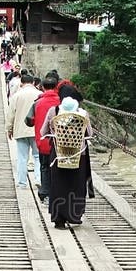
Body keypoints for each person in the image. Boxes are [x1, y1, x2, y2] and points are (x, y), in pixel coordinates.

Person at [40, 85, 92, 229]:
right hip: (78, 155)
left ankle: (59, 219)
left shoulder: (54, 111)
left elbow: (42, 131)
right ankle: (74, 215)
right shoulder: (83, 113)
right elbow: (89, 134)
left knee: (58, 186)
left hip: (59, 154)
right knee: (76, 185)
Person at [5, 73, 41, 189]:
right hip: (36, 130)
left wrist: (9, 129)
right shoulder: (40, 94)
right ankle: (39, 179)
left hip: (20, 130)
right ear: (33, 83)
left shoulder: (16, 95)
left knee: (22, 157)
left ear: (21, 83)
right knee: (37, 156)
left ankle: (22, 183)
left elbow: (11, 114)